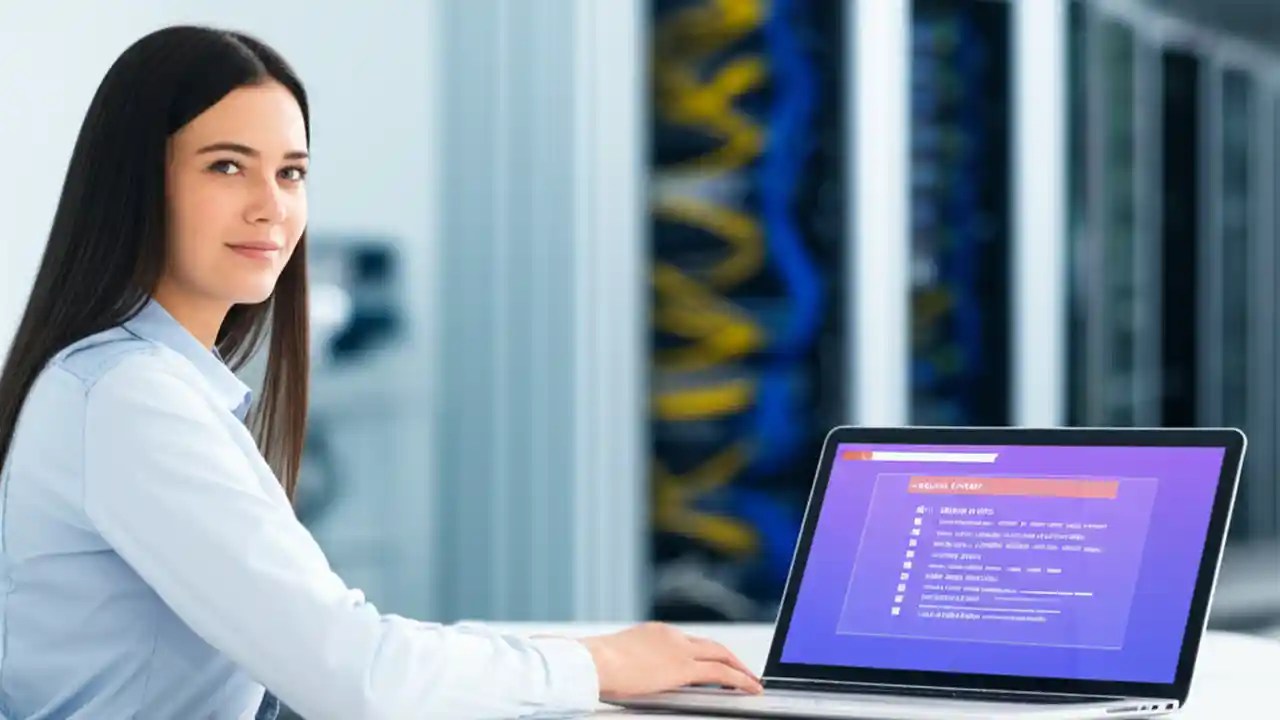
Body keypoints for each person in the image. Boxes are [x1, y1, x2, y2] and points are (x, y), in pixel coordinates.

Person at [0, 25, 761, 719]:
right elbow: (352, 676)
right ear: (140, 183)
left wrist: (549, 661)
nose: (272, 207)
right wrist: (595, 664)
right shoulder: (130, 399)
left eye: (291, 173)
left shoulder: (129, 382)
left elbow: (338, 649)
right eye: (227, 166)